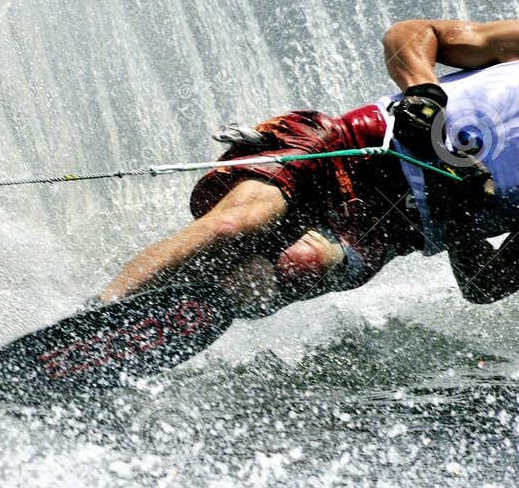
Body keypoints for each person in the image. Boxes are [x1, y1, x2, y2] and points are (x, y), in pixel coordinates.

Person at [99, 18, 519, 315]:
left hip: (392, 228)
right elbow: (409, 33)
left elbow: (485, 285)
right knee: (237, 224)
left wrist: (458, 219)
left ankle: (157, 324)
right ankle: (101, 310)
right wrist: (423, 92)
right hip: (349, 145)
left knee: (295, 265)